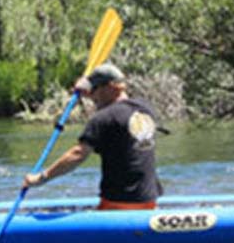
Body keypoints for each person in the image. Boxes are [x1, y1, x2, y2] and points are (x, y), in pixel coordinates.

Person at [23, 63, 162, 210]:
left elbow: (77, 154)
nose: (92, 96)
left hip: (118, 202)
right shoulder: (145, 108)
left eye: (94, 89)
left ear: (110, 86)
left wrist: (42, 178)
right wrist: (88, 94)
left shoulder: (103, 118)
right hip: (149, 201)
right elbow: (118, 115)